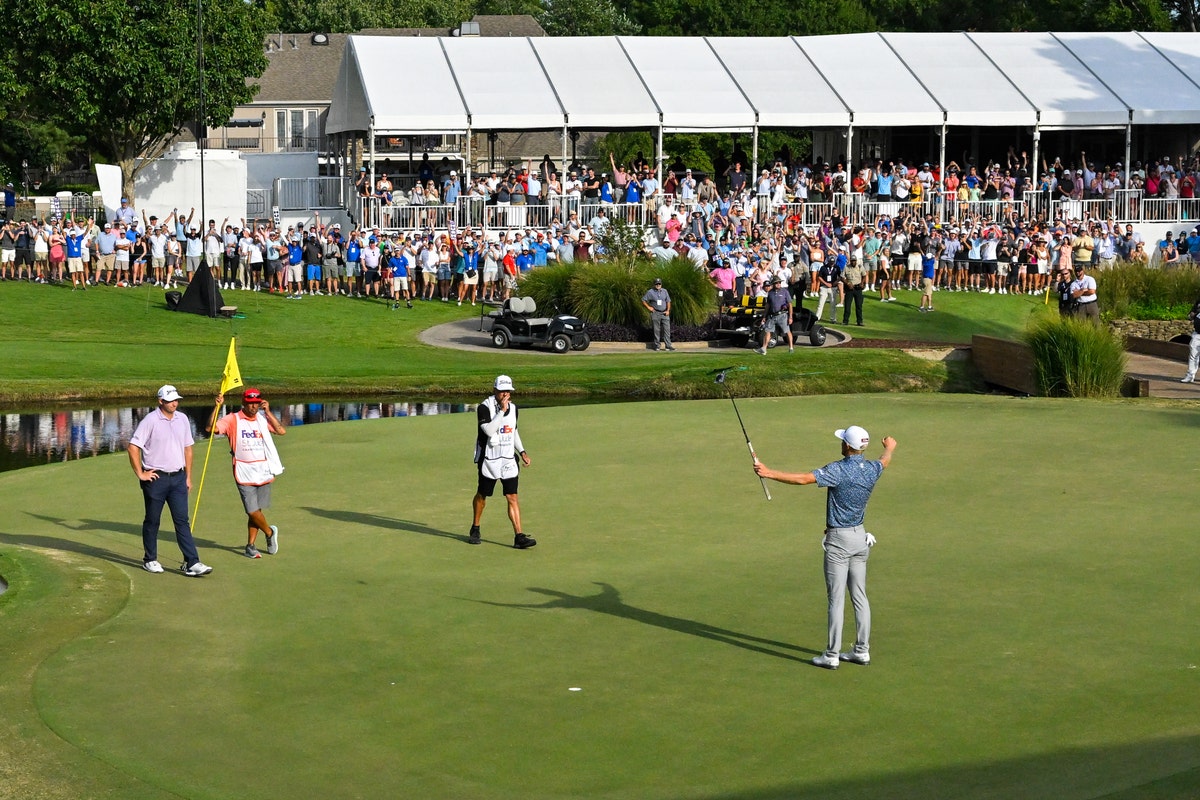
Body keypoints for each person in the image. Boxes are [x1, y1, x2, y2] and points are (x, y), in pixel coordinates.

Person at [754, 425, 897, 669]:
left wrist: (768, 473)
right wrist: (890, 448)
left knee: (836, 599)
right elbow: (884, 461)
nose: (841, 443)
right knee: (860, 597)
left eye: (843, 440)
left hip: (839, 542)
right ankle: (861, 651)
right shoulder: (872, 468)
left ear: (847, 446)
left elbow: (803, 479)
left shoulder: (838, 470)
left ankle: (831, 655)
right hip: (860, 538)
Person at [127, 385, 213, 577]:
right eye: (170, 400)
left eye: (176, 400)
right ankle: (150, 559)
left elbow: (188, 448)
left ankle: (192, 562)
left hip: (178, 478)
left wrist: (188, 477)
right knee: (153, 520)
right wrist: (141, 473)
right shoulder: (150, 420)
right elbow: (133, 447)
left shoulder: (182, 419)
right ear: (160, 401)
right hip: (156, 479)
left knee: (182, 521)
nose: (174, 403)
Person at [207, 387, 286, 559]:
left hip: (263, 469)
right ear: (243, 403)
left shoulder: (262, 419)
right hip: (243, 470)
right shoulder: (232, 419)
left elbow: (281, 431)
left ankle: (250, 546)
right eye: (250, 403)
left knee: (256, 510)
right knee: (251, 511)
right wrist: (217, 407)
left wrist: (268, 412)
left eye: (256, 403)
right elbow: (210, 428)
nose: (253, 407)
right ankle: (270, 532)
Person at [469, 375, 535, 550]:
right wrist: (501, 411)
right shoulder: (484, 408)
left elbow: (513, 431)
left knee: (512, 496)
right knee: (482, 496)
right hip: (488, 459)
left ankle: (519, 536)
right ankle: (475, 527)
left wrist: (522, 452)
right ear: (494, 390)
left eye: (508, 391)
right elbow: (490, 430)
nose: (505, 394)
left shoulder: (514, 409)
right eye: (501, 391)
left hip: (507, 459)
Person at [757, 276, 794, 354]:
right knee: (767, 331)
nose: (778, 284)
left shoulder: (785, 292)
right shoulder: (770, 293)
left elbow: (790, 304)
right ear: (773, 284)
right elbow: (768, 305)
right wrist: (764, 316)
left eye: (779, 282)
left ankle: (791, 348)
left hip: (782, 315)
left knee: (787, 331)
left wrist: (790, 317)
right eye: (776, 283)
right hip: (772, 315)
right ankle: (764, 348)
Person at [642, 276, 674, 351]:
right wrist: (649, 307)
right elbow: (643, 300)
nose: (658, 285)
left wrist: (668, 310)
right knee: (656, 330)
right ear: (654, 284)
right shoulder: (650, 292)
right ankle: (657, 345)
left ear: (661, 284)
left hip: (664, 313)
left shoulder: (665, 291)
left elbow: (668, 301)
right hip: (655, 313)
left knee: (667, 329)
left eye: (659, 284)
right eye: (656, 284)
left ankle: (668, 346)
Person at [1180, 295, 1200, 383]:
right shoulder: (1198, 301)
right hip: (1197, 333)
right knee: (1193, 355)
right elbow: (1190, 315)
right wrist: (1193, 315)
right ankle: (1190, 375)